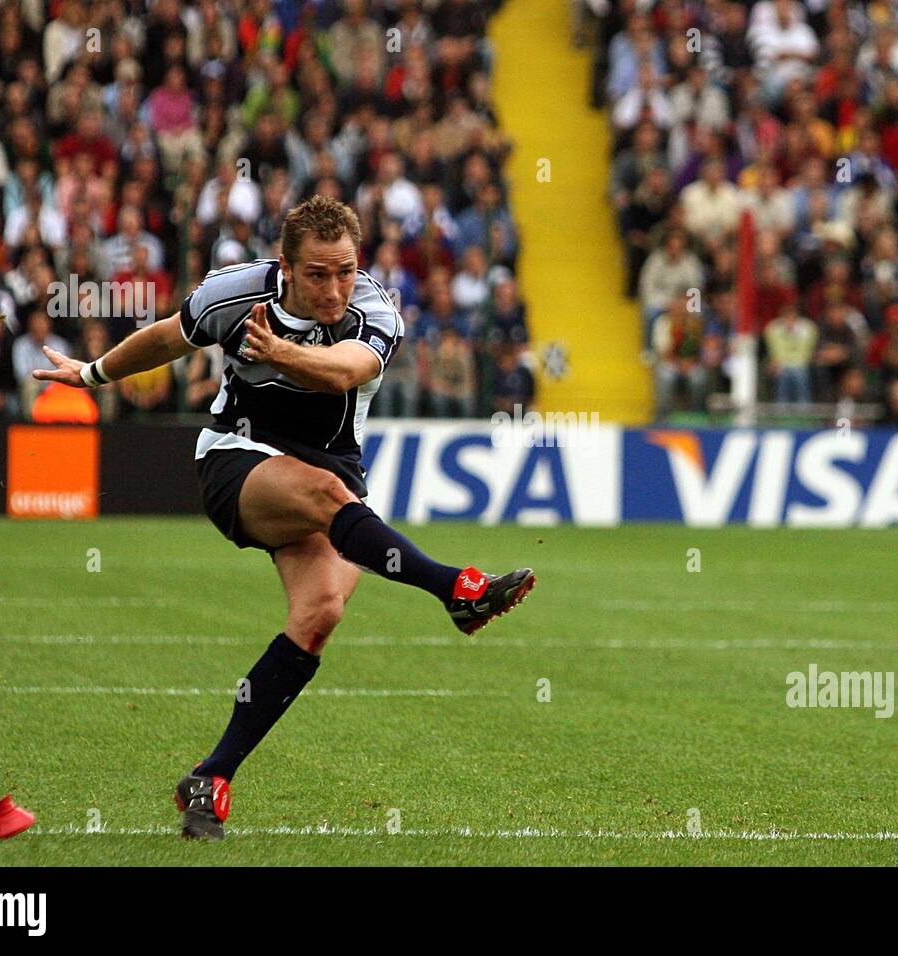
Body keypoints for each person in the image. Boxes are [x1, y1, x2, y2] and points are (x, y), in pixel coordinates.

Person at [34, 197, 535, 840]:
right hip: (237, 461)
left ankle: (210, 778)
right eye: (318, 274)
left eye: (346, 271)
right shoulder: (234, 292)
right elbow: (169, 335)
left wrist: (280, 352)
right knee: (329, 496)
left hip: (330, 474)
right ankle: (457, 589)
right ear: (286, 268)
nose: (335, 289)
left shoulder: (375, 308)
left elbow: (348, 371)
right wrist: (96, 372)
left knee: (320, 613)